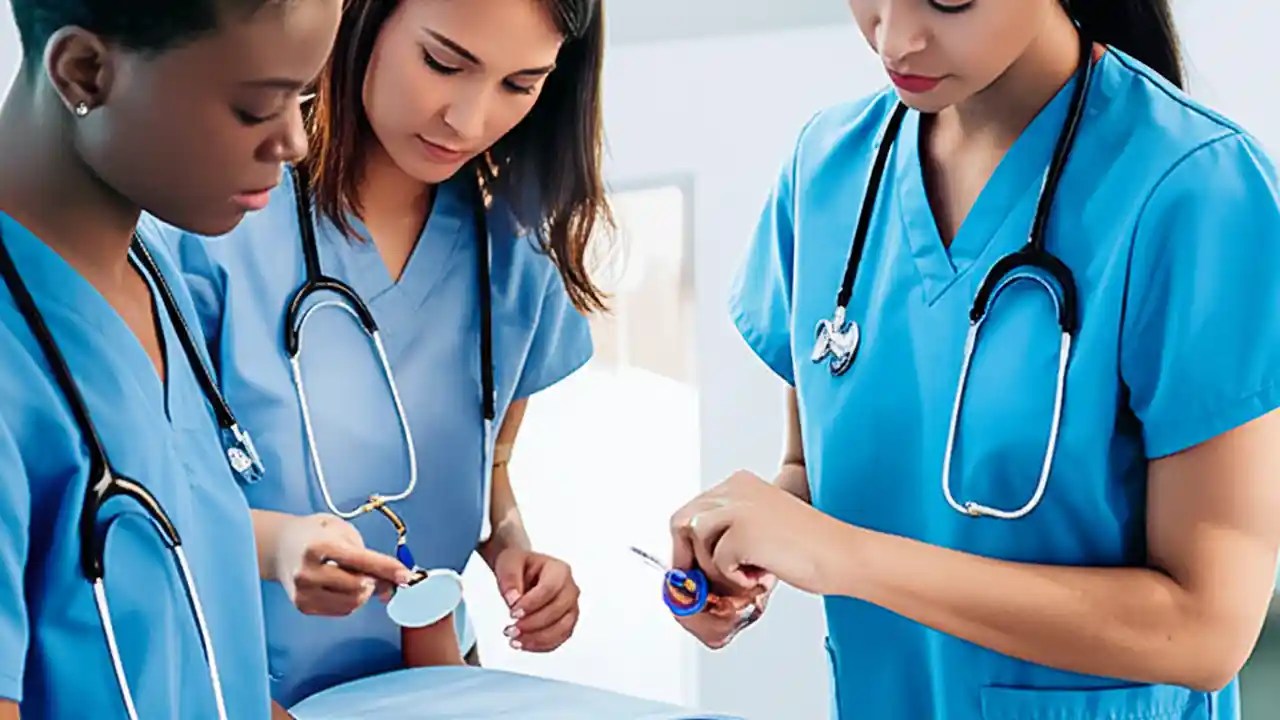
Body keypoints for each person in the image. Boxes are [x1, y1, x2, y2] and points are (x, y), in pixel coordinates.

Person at [668, 1, 1280, 719]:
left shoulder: (1198, 191)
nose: (894, 38)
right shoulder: (826, 170)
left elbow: (1206, 630)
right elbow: (817, 475)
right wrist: (747, 545)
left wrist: (843, 556)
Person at [139, 0, 609, 708]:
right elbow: (147, 502)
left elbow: (492, 469)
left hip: (434, 680)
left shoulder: (514, 257)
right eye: (443, 63)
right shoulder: (211, 225)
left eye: (521, 83)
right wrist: (279, 546)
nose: (470, 119)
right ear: (358, 16)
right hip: (234, 687)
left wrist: (513, 550)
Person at [0, 0, 340, 719]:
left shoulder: (155, 278)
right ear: (84, 73)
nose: (295, 143)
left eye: (303, 98)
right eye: (255, 108)